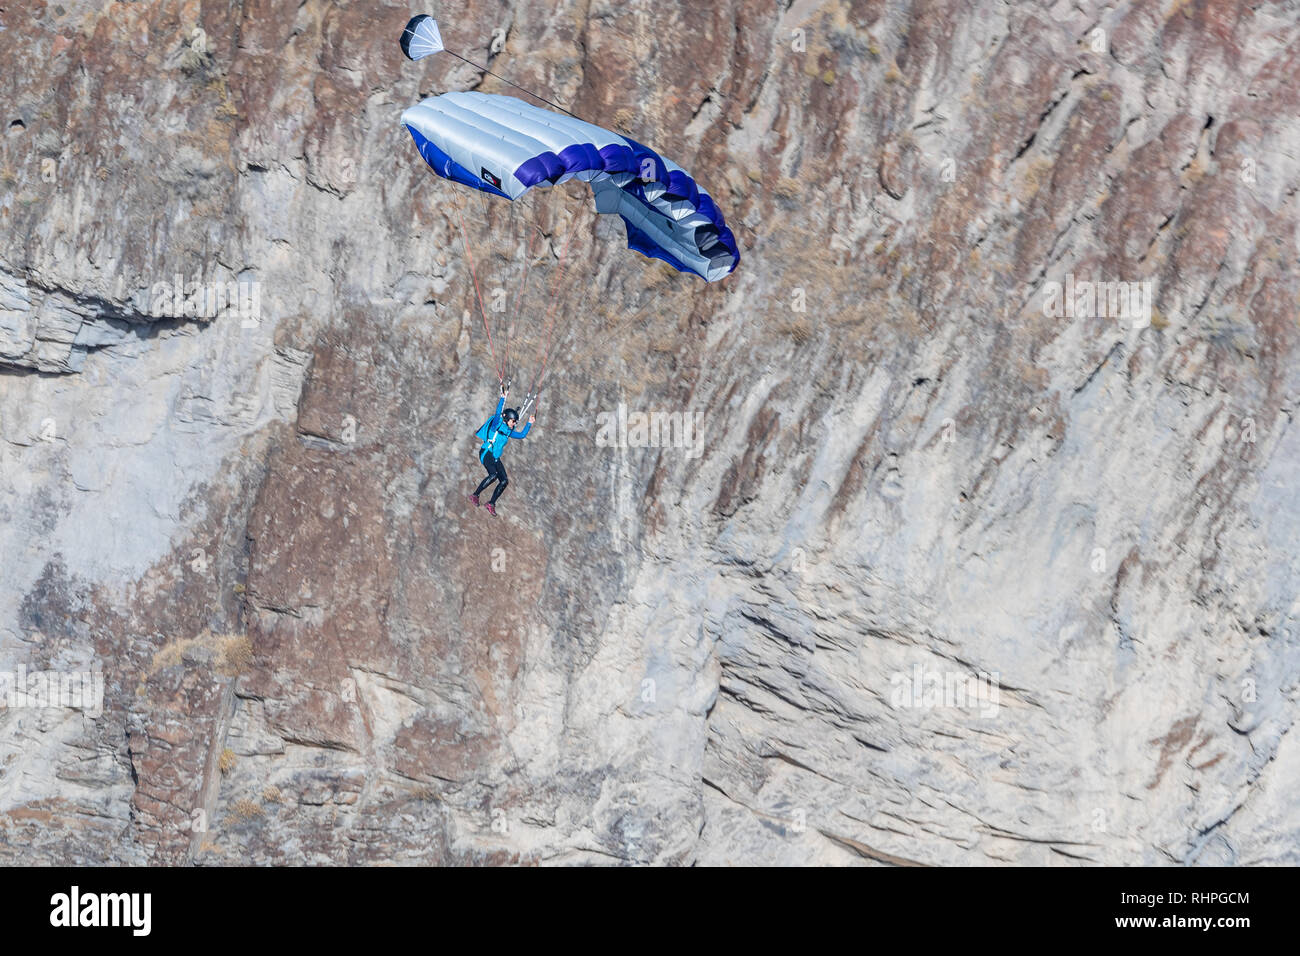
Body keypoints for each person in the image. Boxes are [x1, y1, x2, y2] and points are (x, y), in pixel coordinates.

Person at [470, 385, 535, 515]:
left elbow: (522, 435)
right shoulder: (496, 425)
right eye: (513, 421)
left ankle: (491, 503)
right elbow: (497, 413)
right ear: (506, 419)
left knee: (504, 481)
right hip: (486, 452)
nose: (514, 423)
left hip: (495, 457)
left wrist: (529, 423)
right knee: (493, 475)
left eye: (515, 422)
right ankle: (475, 495)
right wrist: (502, 399)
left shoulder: (508, 432)